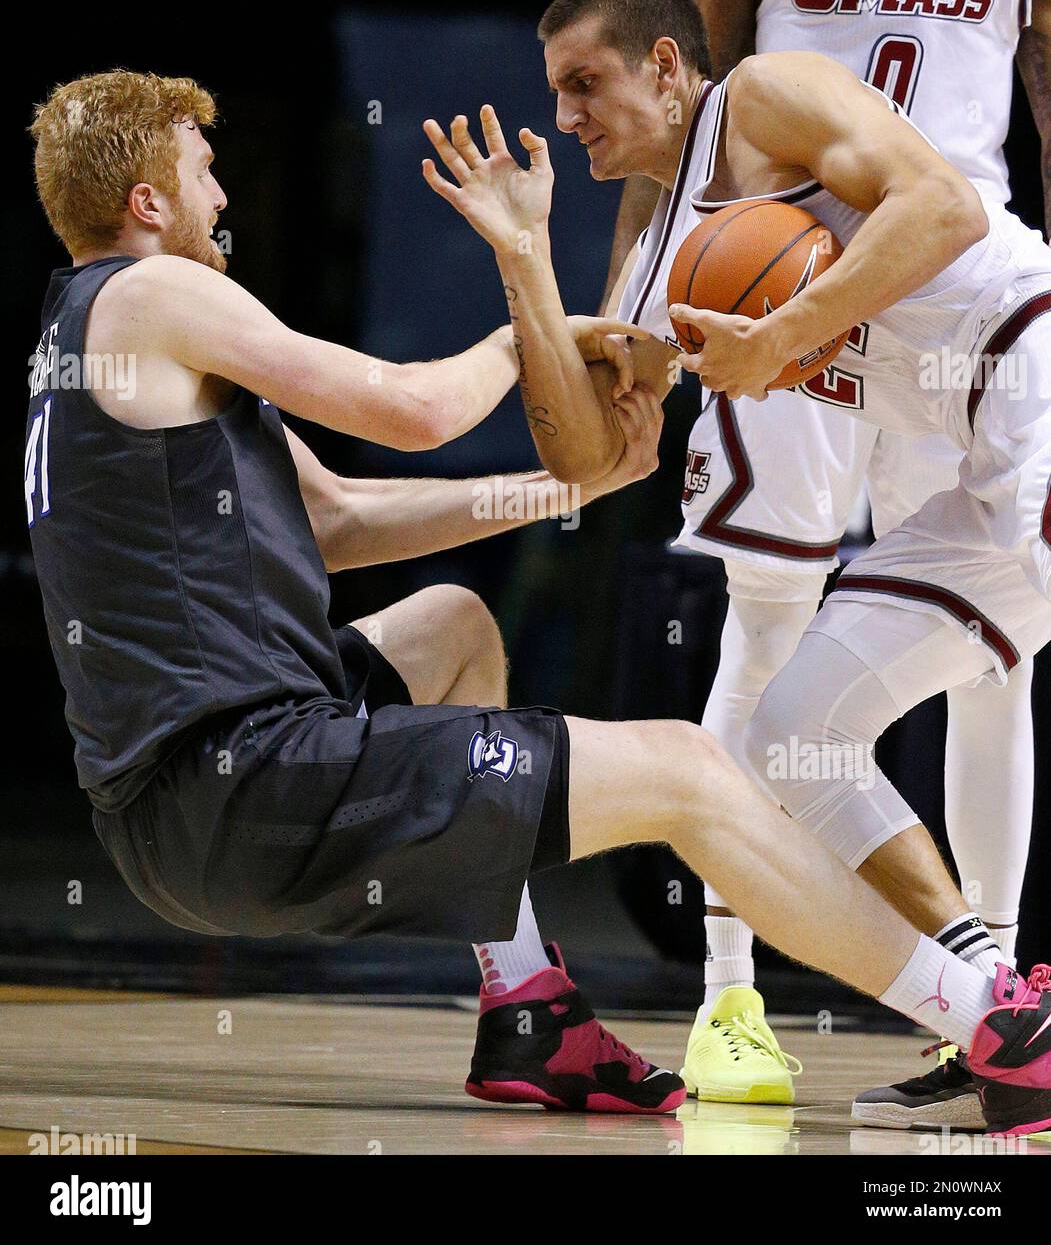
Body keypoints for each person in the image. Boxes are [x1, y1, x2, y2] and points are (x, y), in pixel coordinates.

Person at [26, 70, 1050, 1131]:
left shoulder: (77, 331)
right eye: (202, 174)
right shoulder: (152, 292)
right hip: (243, 783)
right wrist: (529, 328)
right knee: (689, 770)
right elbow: (415, 412)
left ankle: (527, 1008)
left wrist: (566, 487)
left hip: (171, 814)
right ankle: (990, 1020)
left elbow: (337, 521)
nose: (223, 199)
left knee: (452, 627)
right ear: (146, 203)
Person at [422, 0, 1051, 1133]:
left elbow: (948, 210)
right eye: (554, 95)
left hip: (1028, 363)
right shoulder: (660, 265)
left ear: (666, 68)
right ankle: (1002, 1005)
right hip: (970, 470)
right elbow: (587, 458)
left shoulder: (766, 95)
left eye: (585, 84)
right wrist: (524, 256)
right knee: (790, 734)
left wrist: (785, 335)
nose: (566, 117)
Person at [598, 0, 1051, 1120]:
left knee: (991, 660)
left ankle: (995, 1006)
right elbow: (682, 124)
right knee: (770, 623)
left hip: (957, 318)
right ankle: (730, 1003)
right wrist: (632, 305)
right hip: (784, 296)